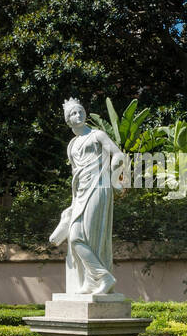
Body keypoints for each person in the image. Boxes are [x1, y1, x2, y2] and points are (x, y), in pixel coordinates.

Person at [48, 98, 128, 295]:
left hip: (99, 189)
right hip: (81, 193)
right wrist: (72, 203)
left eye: (80, 111)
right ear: (68, 120)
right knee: (76, 236)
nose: (79, 115)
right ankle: (97, 280)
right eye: (73, 113)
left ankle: (102, 278)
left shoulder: (97, 135)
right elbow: (76, 176)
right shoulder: (72, 146)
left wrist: (114, 178)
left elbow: (118, 155)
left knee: (86, 237)